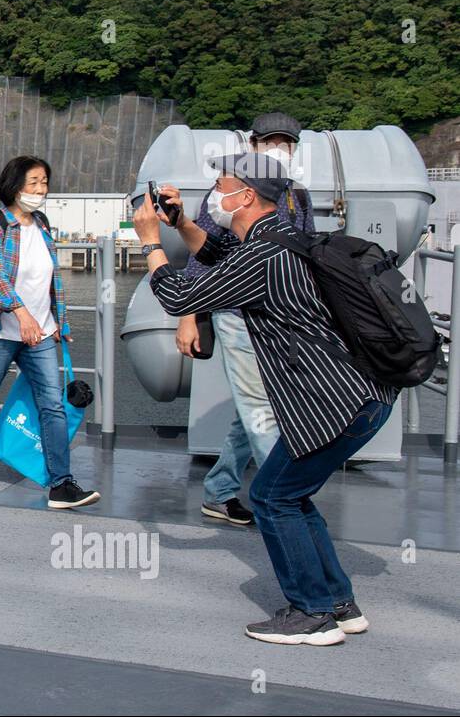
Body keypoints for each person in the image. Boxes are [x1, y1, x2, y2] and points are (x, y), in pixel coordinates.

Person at [134, 152, 396, 646]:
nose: (217, 192)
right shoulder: (282, 238)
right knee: (291, 494)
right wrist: (182, 223)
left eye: (223, 185)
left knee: (272, 498)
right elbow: (220, 258)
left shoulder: (265, 257)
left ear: (246, 195)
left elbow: (179, 299)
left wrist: (151, 240)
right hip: (363, 396)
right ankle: (338, 604)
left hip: (331, 402)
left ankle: (312, 614)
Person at [170, 111, 313, 526]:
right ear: (252, 143)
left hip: (281, 318)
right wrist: (188, 316)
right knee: (260, 407)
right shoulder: (227, 190)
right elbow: (203, 255)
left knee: (254, 405)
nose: (278, 149)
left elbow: (305, 253)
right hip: (236, 313)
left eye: (286, 144)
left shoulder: (296, 196)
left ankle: (219, 490)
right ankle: (285, 502)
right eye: (270, 142)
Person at [0, 156, 100, 509]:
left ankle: (61, 485)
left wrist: (58, 323)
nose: (40, 189)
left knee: (53, 406)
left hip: (41, 334)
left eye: (44, 182)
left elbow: (51, 281)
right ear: (15, 185)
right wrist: (22, 315)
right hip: (1, 330)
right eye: (33, 182)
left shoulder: (43, 224)